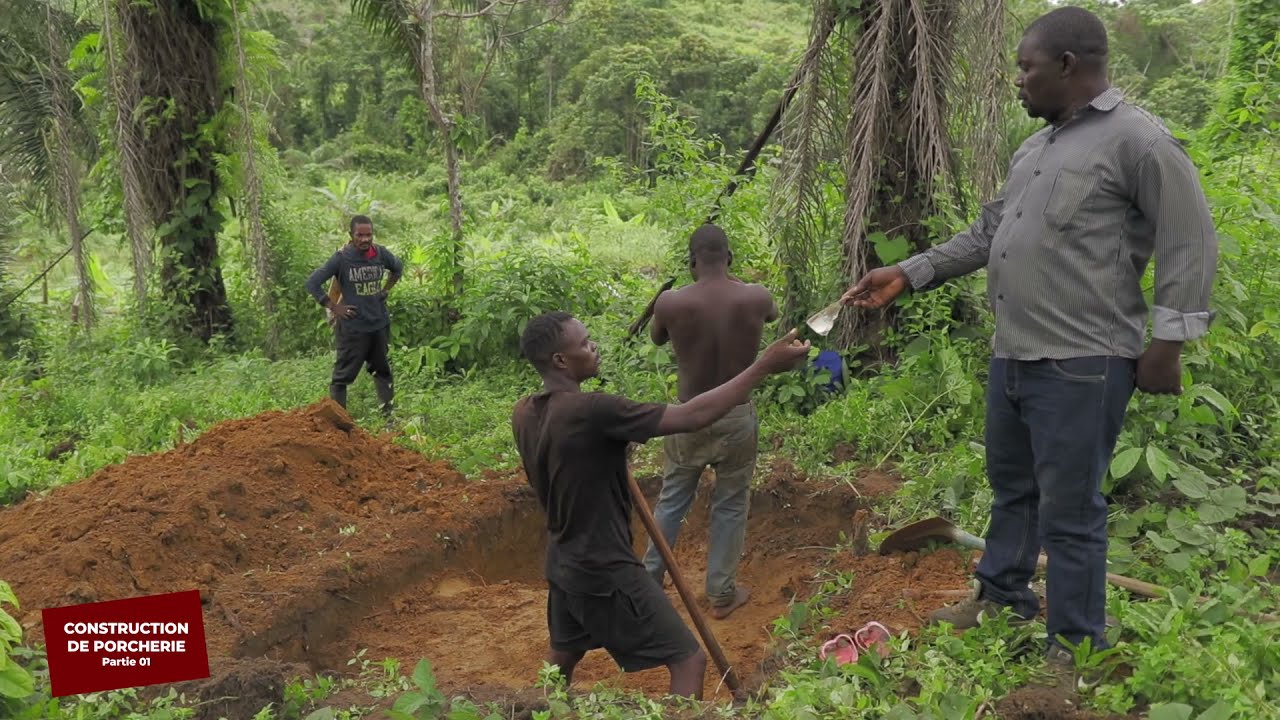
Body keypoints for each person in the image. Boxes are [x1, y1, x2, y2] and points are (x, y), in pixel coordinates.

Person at [841, 6, 1217, 670]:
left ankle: (1074, 645)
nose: (1017, 80)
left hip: (1084, 361)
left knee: (1070, 511)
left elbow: (1191, 241)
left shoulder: (1140, 142)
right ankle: (1002, 596)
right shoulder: (1036, 148)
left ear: (1068, 66)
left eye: (1026, 67)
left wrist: (1169, 341)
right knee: (1012, 487)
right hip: (1014, 355)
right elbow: (991, 234)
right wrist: (909, 270)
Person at [511, 311, 809, 698]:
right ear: (560, 361)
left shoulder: (525, 412)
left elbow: (572, 465)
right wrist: (764, 366)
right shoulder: (593, 411)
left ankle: (536, 709)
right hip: (605, 567)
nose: (594, 346)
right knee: (689, 660)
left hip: (564, 562)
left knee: (563, 656)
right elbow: (692, 415)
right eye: (584, 343)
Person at [641, 224, 779, 620]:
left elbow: (655, 339)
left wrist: (670, 298)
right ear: (730, 257)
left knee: (672, 499)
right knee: (731, 502)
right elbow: (772, 314)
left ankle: (649, 580)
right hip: (736, 416)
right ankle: (721, 592)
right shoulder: (755, 296)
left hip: (688, 415)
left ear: (691, 262)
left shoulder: (670, 302)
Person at [305, 215, 404, 415]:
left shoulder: (380, 254)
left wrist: (385, 291)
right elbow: (312, 282)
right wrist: (334, 306)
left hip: (378, 324)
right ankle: (340, 424)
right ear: (351, 235)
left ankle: (388, 417)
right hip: (352, 328)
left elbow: (397, 268)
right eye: (360, 235)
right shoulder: (342, 258)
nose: (365, 239)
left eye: (368, 235)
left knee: (383, 372)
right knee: (342, 377)